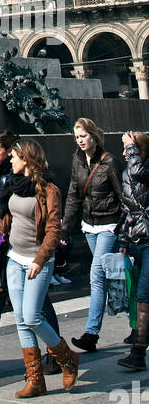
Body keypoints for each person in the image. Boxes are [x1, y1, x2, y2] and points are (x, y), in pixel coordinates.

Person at [0, 130, 61, 379]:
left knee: (35, 310)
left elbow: (50, 228)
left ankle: (57, 354)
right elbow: (3, 212)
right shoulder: (4, 178)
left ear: (15, 154)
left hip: (31, 252)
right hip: (6, 247)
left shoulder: (37, 184)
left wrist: (40, 258)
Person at [0, 138, 79, 398]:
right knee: (21, 321)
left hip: (37, 261)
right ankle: (36, 380)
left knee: (32, 317)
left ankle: (67, 359)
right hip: (14, 258)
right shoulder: (12, 184)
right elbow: (11, 216)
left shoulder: (49, 190)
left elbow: (54, 230)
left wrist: (39, 260)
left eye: (14, 156)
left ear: (26, 159)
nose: (10, 160)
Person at [61, 117, 123, 353]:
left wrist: (123, 230)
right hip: (89, 226)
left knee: (97, 274)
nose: (80, 141)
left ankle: (91, 333)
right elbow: (73, 194)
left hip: (109, 224)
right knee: (109, 277)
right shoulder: (77, 160)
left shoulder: (109, 162)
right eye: (77, 137)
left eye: (84, 136)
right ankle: (136, 324)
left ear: (94, 136)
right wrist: (66, 226)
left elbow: (123, 196)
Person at [116, 130, 149, 371]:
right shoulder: (128, 172)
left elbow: (139, 172)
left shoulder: (142, 169)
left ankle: (137, 353)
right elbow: (127, 209)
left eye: (131, 149)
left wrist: (132, 147)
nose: (126, 153)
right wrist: (123, 242)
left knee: (145, 294)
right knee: (141, 294)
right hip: (138, 241)